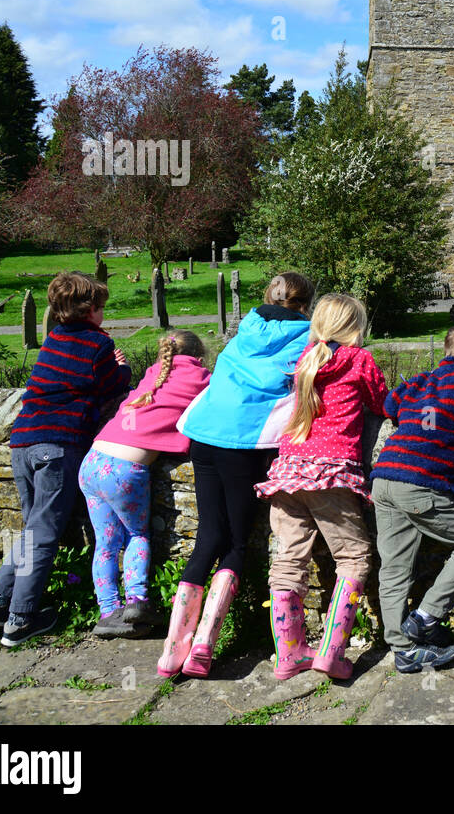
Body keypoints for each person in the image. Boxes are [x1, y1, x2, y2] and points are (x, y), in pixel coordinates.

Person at [159, 272, 314, 678]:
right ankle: (204, 647)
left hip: (204, 435)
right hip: (243, 444)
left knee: (208, 536)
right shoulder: (308, 339)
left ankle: (172, 650)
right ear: (306, 305)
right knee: (236, 544)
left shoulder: (244, 329)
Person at [0, 272, 132, 646]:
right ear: (90, 309)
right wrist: (122, 365)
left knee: (32, 529)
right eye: (101, 307)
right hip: (58, 445)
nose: (103, 313)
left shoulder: (54, 338)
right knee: (44, 534)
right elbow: (112, 384)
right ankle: (20, 620)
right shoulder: (97, 344)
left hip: (22, 441)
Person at [254, 294, 388, 681]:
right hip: (331, 473)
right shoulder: (360, 360)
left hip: (289, 471)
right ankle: (332, 650)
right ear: (354, 328)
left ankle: (289, 653)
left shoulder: (306, 359)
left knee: (288, 560)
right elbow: (382, 404)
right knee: (354, 556)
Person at [371, 323, 454, 673]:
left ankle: (402, 648)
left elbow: (389, 403)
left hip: (385, 476)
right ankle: (426, 616)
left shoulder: (421, 379)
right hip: (424, 482)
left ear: (446, 350)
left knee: (393, 568)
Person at [79, 330, 210, 638]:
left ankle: (108, 612)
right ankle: (137, 601)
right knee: (138, 534)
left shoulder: (153, 374)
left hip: (92, 461)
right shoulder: (201, 379)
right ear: (200, 358)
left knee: (106, 543)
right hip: (124, 470)